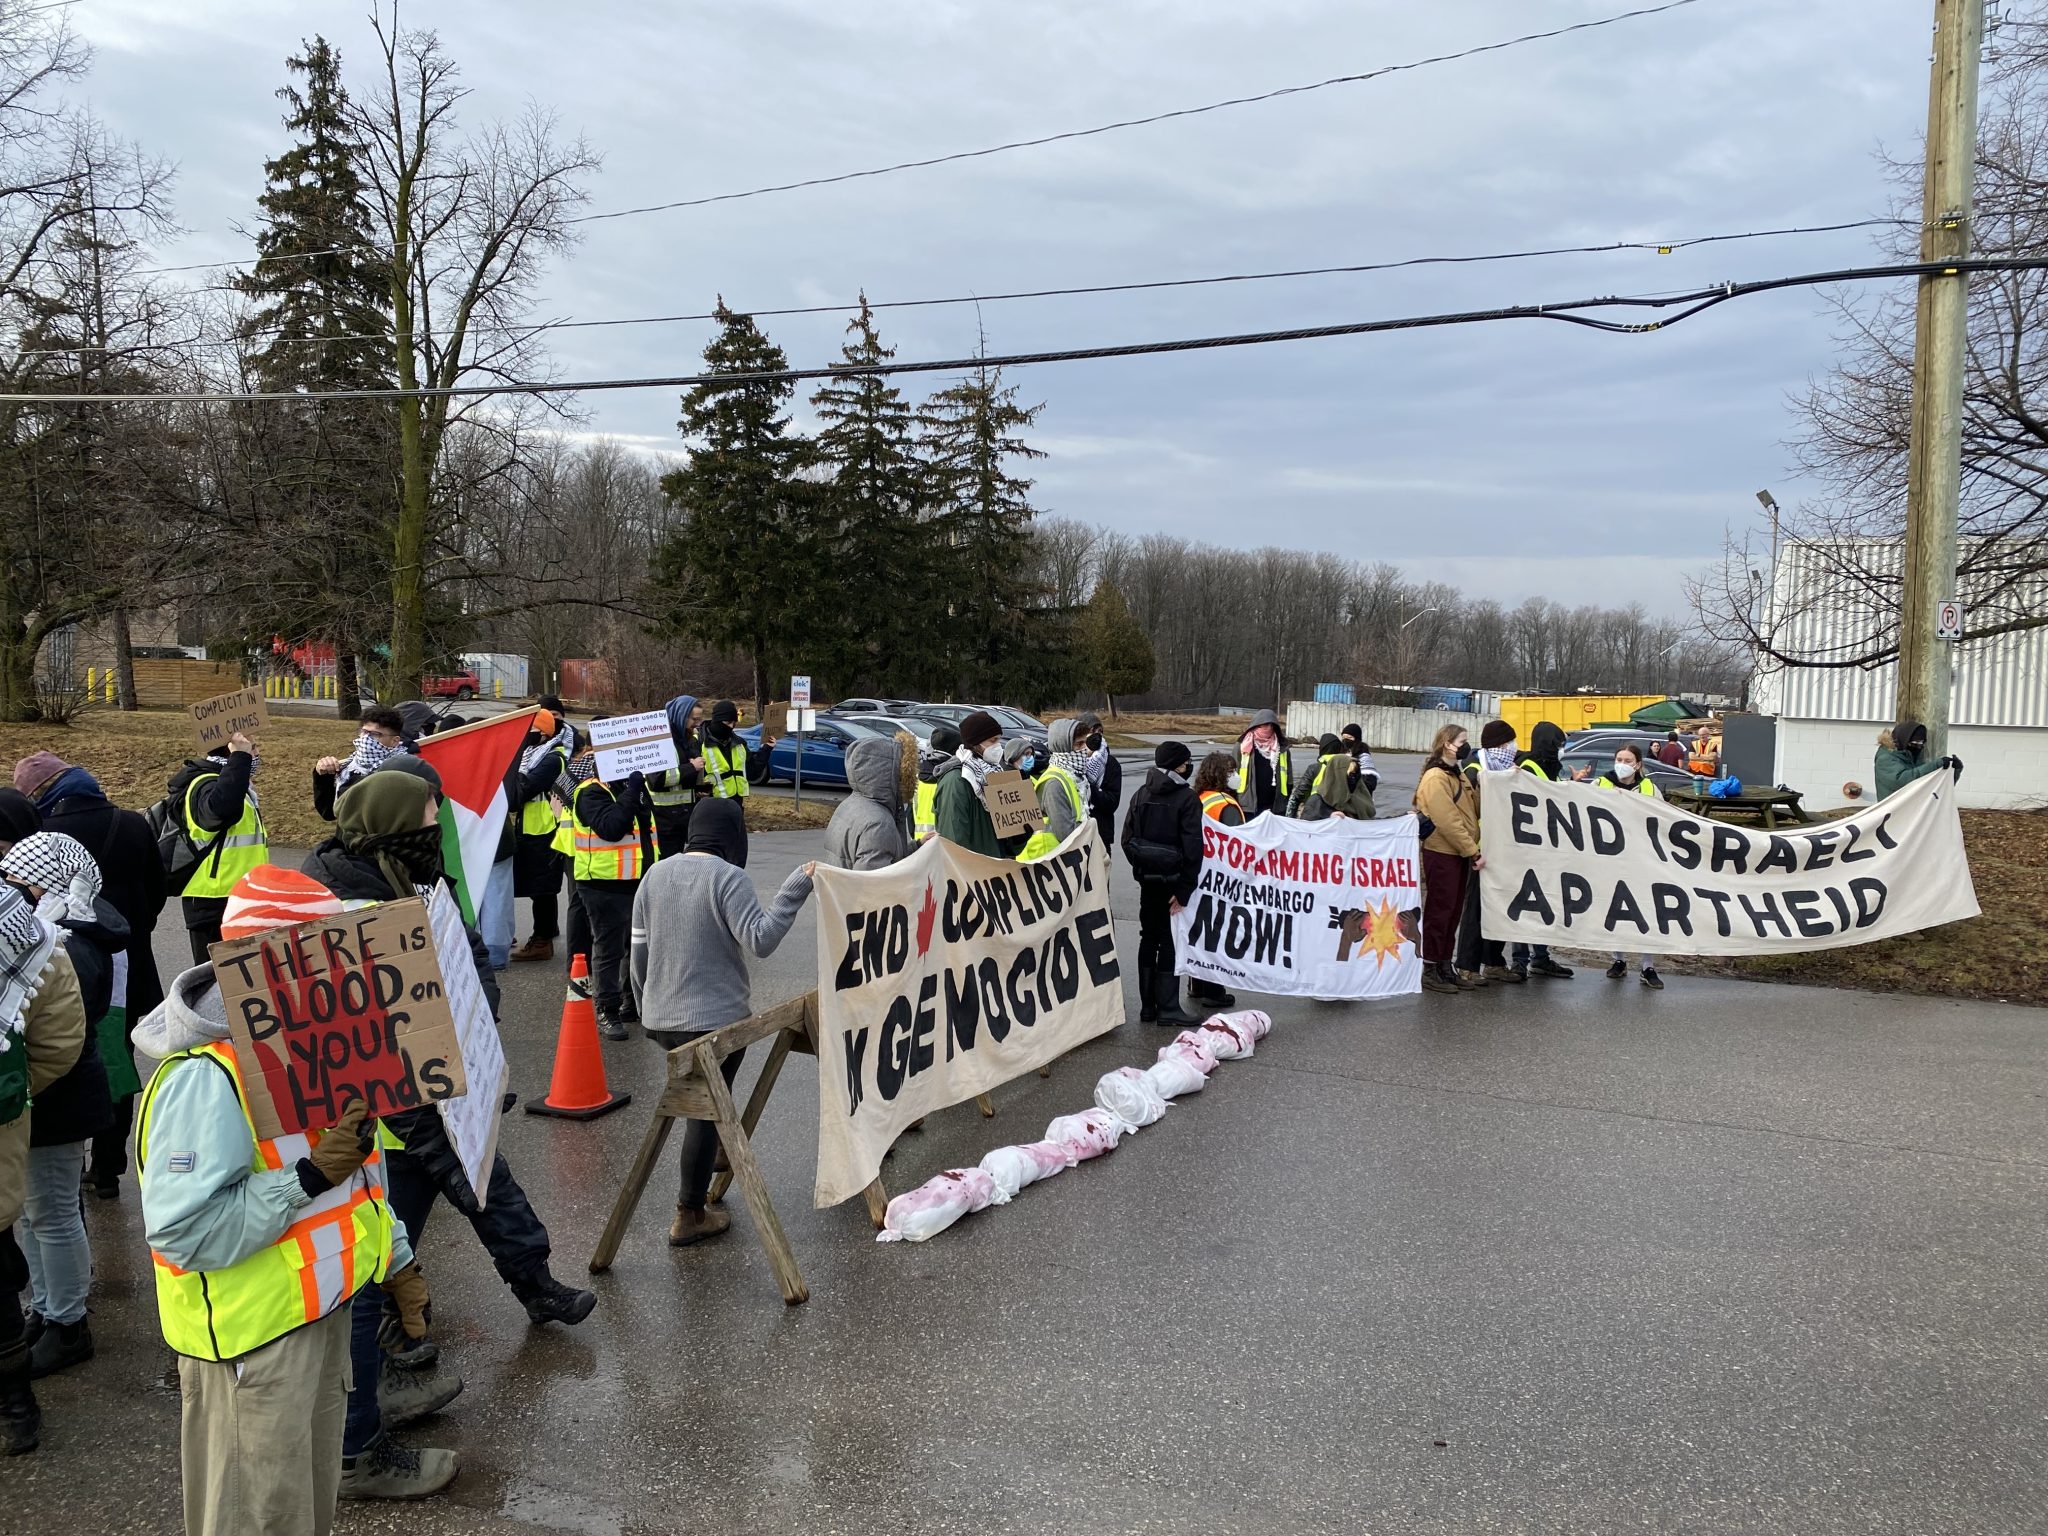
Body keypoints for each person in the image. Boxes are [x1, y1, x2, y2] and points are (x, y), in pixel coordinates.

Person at [134, 865, 457, 1516]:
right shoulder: (205, 1078)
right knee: (259, 1520)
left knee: (307, 1511)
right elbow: (184, 1230)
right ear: (273, 965)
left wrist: (396, 1261)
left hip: (321, 1322)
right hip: (251, 1354)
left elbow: (360, 1176)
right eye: (329, 954)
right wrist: (307, 1177)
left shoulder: (318, 1048)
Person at [301, 784, 597, 1331]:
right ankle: (385, 1348)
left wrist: (478, 1038)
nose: (438, 829)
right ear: (397, 826)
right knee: (390, 1233)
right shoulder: (352, 907)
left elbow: (466, 953)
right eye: (429, 817)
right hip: (388, 1116)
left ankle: (537, 1289)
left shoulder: (410, 876)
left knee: (488, 1187)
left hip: (444, 1085)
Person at [628, 799, 815, 1246]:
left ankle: (711, 1160)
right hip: (713, 1020)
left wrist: (646, 1006)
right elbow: (761, 940)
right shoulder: (728, 877)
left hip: (660, 1015)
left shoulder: (655, 874)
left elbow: (638, 952)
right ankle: (690, 1212)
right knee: (705, 1112)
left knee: (704, 1100)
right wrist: (795, 889)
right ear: (733, 835)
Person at [2, 834, 126, 1379]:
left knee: (50, 1212)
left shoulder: (65, 944)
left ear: (46, 884)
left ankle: (68, 1324)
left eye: (21, 883)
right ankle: (47, 1310)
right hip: (47, 1092)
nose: (14, 893)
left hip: (57, 1094)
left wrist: (21, 1085)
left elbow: (59, 1036)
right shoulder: (55, 933)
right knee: (31, 1212)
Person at [14, 756, 166, 1198]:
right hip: (127, 960)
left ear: (39, 791)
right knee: (115, 1060)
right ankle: (108, 1167)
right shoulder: (133, 823)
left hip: (58, 962)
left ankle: (66, 1160)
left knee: (63, 1057)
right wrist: (130, 929)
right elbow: (156, 891)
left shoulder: (41, 835)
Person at [0, 883, 86, 1455]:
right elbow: (58, 1039)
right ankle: (14, 1405)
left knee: (48, 1215)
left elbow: (61, 1038)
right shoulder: (31, 936)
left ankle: (16, 1401)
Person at [564, 749, 657, 1039]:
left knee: (637, 945)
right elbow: (613, 827)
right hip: (603, 883)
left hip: (637, 879)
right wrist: (632, 789)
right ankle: (608, 1010)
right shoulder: (591, 792)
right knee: (609, 949)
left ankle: (631, 1004)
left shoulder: (628, 787)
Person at [167, 731, 269, 964]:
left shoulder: (235, 784)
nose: (257, 754)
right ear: (231, 752)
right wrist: (240, 760)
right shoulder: (204, 783)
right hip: (212, 899)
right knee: (215, 984)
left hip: (241, 895)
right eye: (252, 748)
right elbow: (222, 811)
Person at [1122, 742, 1203, 1026]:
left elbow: (1127, 840)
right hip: (1174, 884)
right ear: (1178, 765)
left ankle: (1148, 1007)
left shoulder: (1140, 794)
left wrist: (1142, 869)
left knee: (1148, 937)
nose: (1189, 767)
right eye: (1186, 763)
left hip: (1148, 883)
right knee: (1169, 941)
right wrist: (1184, 889)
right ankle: (1168, 1007)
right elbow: (1194, 848)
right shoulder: (1187, 799)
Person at [1512, 722, 1583, 981]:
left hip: (1545, 850)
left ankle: (1540, 957)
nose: (1562, 750)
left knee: (1543, 905)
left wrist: (1571, 785)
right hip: (1526, 849)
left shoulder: (1550, 768)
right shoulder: (1528, 767)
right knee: (1524, 904)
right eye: (1559, 744)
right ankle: (1519, 960)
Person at [1453, 720, 1521, 987]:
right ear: (1500, 745)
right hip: (1479, 849)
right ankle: (1467, 966)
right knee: (1476, 909)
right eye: (1509, 743)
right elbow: (1463, 811)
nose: (1513, 748)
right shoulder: (1474, 771)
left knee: (1499, 907)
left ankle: (1493, 961)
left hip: (1503, 848)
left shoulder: (1505, 769)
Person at [1414, 724, 1481, 994]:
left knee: (1452, 911)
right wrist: (1471, 850)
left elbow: (1473, 809)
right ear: (1447, 743)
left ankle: (1444, 963)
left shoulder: (1457, 774)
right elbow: (1448, 820)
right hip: (1442, 851)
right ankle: (1429, 966)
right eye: (1462, 741)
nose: (1466, 745)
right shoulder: (1436, 777)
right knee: (1439, 911)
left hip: (1456, 852)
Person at [1596, 744, 1665, 990]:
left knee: (1646, 910)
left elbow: (1664, 820)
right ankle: (1618, 960)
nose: (1622, 763)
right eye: (1618, 758)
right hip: (1611, 858)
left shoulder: (1649, 788)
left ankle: (1648, 966)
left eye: (1627, 759)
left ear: (1638, 764)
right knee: (1615, 910)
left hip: (1641, 859)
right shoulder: (1600, 785)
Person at [510, 710, 574, 962]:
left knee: (543, 887)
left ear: (544, 733)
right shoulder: (535, 754)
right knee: (540, 887)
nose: (525, 737)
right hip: (534, 827)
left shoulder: (552, 759)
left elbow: (522, 791)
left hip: (545, 829)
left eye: (531, 732)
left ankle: (542, 940)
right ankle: (545, 932)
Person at [1186, 751, 1240, 1011]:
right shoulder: (1226, 804)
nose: (1236, 776)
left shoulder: (1200, 798)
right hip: (1218, 877)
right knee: (1215, 931)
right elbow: (1237, 843)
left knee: (1198, 929)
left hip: (1197, 873)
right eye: (1231, 772)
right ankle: (1215, 990)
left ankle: (1196, 984)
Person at [824, 735, 912, 872]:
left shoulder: (851, 804)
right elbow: (871, 887)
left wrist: (917, 846)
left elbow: (882, 854)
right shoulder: (878, 824)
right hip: (855, 893)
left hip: (840, 892)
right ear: (888, 773)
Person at [311, 707, 408, 821]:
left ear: (394, 741)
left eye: (375, 734)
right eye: (364, 732)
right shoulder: (349, 766)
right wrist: (323, 775)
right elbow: (328, 812)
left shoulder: (402, 770)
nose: (366, 739)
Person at [933, 710, 1008, 858]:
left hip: (995, 870)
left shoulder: (995, 775)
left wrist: (1019, 835)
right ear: (975, 743)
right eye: (993, 741)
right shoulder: (956, 781)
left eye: (999, 740)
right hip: (974, 876)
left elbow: (1006, 843)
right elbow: (953, 845)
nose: (998, 746)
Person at [1023, 718, 1091, 861]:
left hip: (1065, 856)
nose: (1085, 749)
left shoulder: (1073, 776)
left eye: (1085, 742)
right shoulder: (1054, 783)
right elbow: (1064, 832)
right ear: (1063, 747)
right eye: (1079, 744)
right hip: (1052, 860)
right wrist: (1091, 830)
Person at [644, 693, 703, 856]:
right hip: (664, 820)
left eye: (699, 719)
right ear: (681, 716)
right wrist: (691, 768)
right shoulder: (661, 741)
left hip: (680, 818)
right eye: (693, 719)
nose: (696, 724)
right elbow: (656, 779)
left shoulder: (686, 739)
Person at [1874, 716, 1961, 799]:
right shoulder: (1885, 758)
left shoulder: (1913, 756)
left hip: (1914, 809)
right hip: (1894, 810)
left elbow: (1933, 785)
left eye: (1921, 743)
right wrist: (1935, 765)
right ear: (1905, 740)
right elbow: (1902, 781)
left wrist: (1954, 770)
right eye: (1915, 742)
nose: (1918, 746)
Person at [1073, 712, 1122, 853]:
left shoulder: (1111, 764)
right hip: (1076, 834)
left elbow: (1112, 802)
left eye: (1099, 731)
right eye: (1090, 732)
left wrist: (1090, 789)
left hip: (1101, 833)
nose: (1095, 736)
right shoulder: (1071, 761)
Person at [1236, 709, 1291, 817]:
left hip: (1275, 805)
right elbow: (1232, 773)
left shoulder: (1282, 749)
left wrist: (1284, 800)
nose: (1269, 728)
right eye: (1265, 725)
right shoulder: (1243, 746)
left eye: (1272, 725)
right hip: (1248, 804)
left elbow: (1289, 778)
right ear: (1257, 725)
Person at [912, 724, 961, 843]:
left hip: (921, 841)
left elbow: (910, 814)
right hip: (945, 843)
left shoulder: (919, 777)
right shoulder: (951, 778)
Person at [699, 699, 750, 805]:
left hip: (735, 805)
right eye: (728, 723)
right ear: (717, 721)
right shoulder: (699, 742)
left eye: (734, 723)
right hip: (710, 805)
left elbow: (753, 769)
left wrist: (767, 748)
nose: (731, 726)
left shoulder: (739, 743)